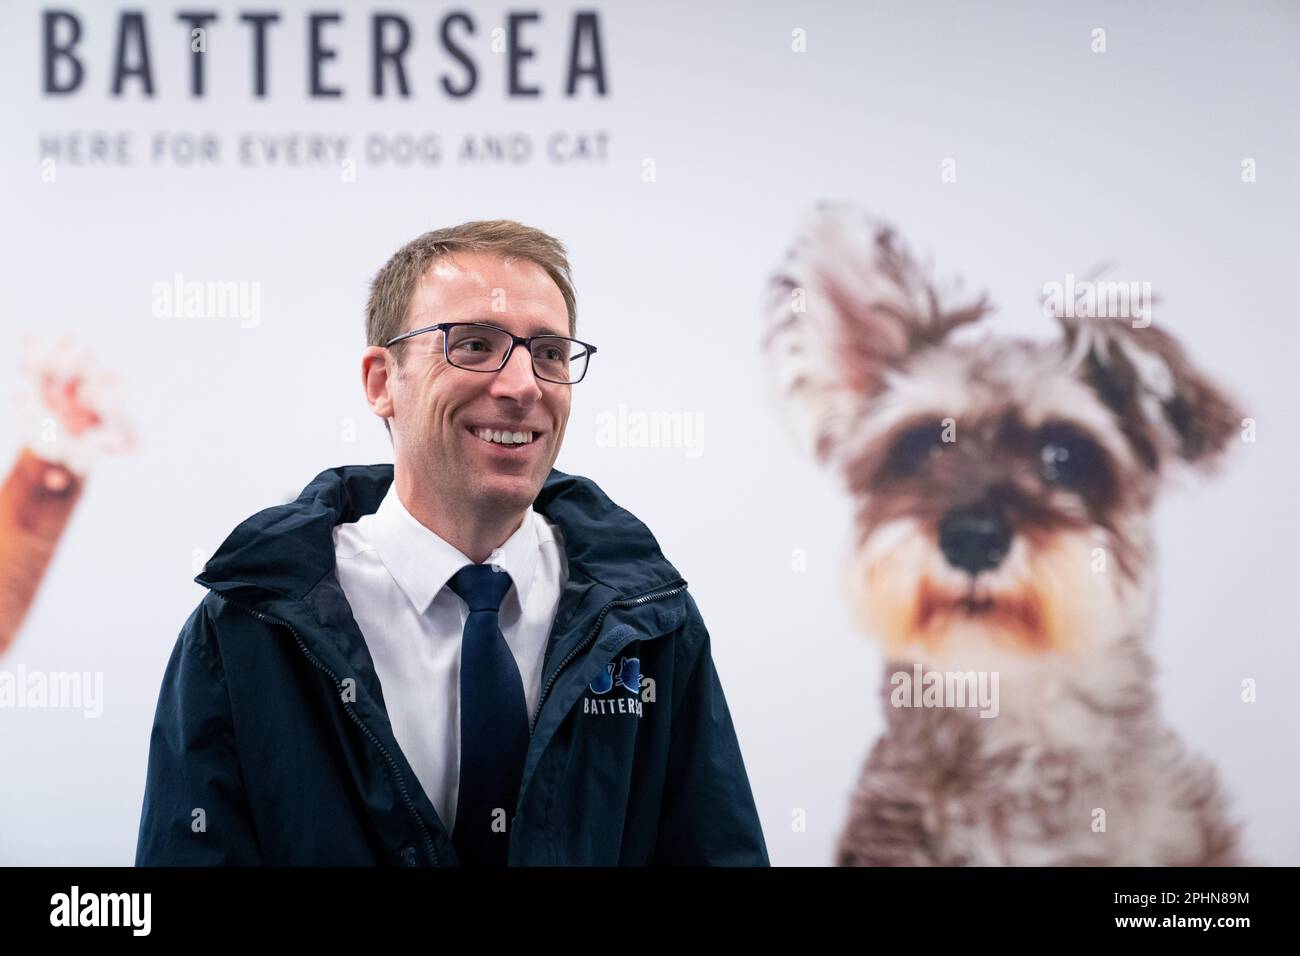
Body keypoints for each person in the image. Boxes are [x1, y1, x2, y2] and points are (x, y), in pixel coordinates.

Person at [135, 219, 769, 866]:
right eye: (472, 345)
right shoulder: (248, 631)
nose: (523, 386)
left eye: (549, 353)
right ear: (383, 382)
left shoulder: (649, 621)